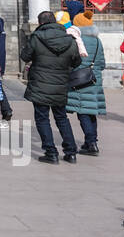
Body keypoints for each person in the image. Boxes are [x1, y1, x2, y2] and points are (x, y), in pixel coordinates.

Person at [20, 10, 81, 164]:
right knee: (61, 117)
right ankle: (71, 152)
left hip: (40, 83)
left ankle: (51, 152)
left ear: (40, 23)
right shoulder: (69, 39)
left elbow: (25, 56)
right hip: (60, 84)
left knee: (42, 118)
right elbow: (76, 61)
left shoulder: (36, 37)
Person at [66, 9, 106, 154]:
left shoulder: (75, 40)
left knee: (82, 112)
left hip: (79, 80)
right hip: (94, 80)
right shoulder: (97, 41)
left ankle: (91, 143)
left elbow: (71, 61)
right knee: (91, 112)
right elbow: (102, 64)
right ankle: (92, 141)